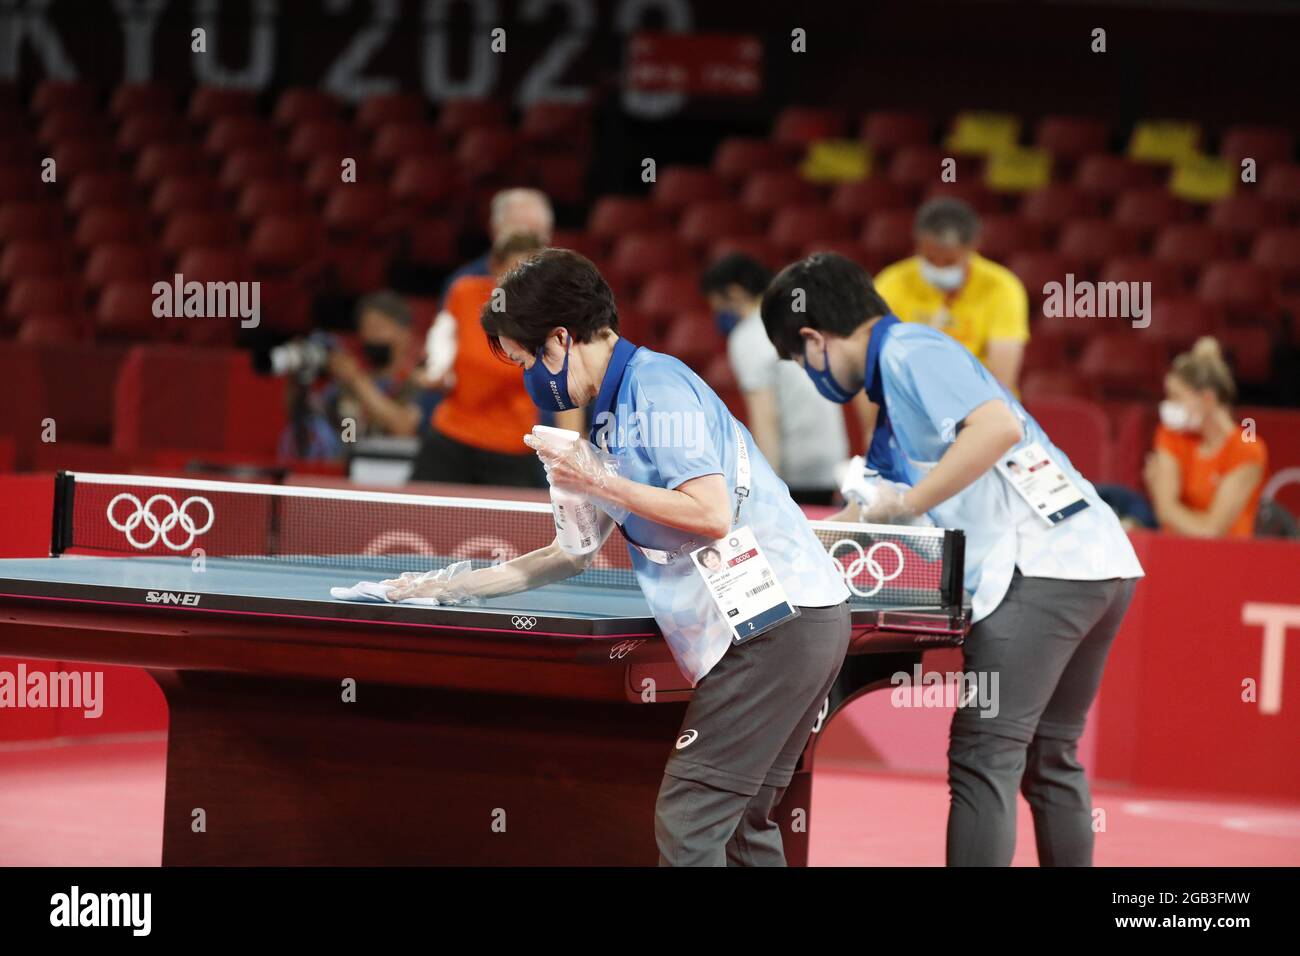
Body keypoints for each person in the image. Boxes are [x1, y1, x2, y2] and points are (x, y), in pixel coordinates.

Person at [387, 249, 852, 867]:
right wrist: (450, 585)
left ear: (561, 337)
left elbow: (709, 511)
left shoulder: (656, 387)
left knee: (689, 825)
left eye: (532, 361)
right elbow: (569, 555)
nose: (533, 379)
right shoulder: (610, 412)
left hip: (778, 626)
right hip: (788, 624)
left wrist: (598, 480)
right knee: (741, 826)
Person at [760, 252, 1144, 867]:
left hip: (1039, 575)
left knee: (984, 756)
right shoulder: (895, 403)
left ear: (813, 338)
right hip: (1100, 567)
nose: (808, 373)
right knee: (1049, 756)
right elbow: (864, 514)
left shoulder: (912, 352)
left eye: (799, 359)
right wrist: (776, 556)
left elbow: (995, 429)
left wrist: (909, 501)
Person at [412, 232, 580, 487]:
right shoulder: (464, 293)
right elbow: (441, 343)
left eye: (528, 275)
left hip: (510, 451)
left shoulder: (550, 321)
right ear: (494, 268)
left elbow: (566, 391)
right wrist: (433, 373)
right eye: (510, 272)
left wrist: (571, 453)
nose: (519, 284)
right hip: (449, 438)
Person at [700, 253, 852, 504]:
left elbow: (765, 418)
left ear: (734, 293)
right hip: (833, 464)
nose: (716, 312)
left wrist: (763, 488)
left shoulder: (748, 336)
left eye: (716, 303)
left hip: (794, 473)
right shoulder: (800, 321)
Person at [873, 198, 1029, 392]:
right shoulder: (891, 282)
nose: (938, 266)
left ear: (972, 247)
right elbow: (873, 361)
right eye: (930, 258)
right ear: (918, 243)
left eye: (949, 261)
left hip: (979, 399)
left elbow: (1002, 377)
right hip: (910, 397)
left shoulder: (1002, 287)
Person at [277, 291, 434, 460]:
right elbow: (301, 415)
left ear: (404, 333)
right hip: (348, 472)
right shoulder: (349, 384)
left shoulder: (422, 380)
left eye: (377, 328)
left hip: (397, 473)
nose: (369, 336)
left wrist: (356, 379)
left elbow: (404, 428)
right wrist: (297, 378)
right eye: (364, 329)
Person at [1144, 337, 1268, 538]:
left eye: (1176, 396)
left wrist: (1166, 505)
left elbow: (1211, 530)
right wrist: (1167, 508)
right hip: (1173, 550)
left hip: (1228, 559)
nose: (1168, 405)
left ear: (1207, 399)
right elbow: (1163, 513)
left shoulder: (1248, 448)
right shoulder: (1170, 434)